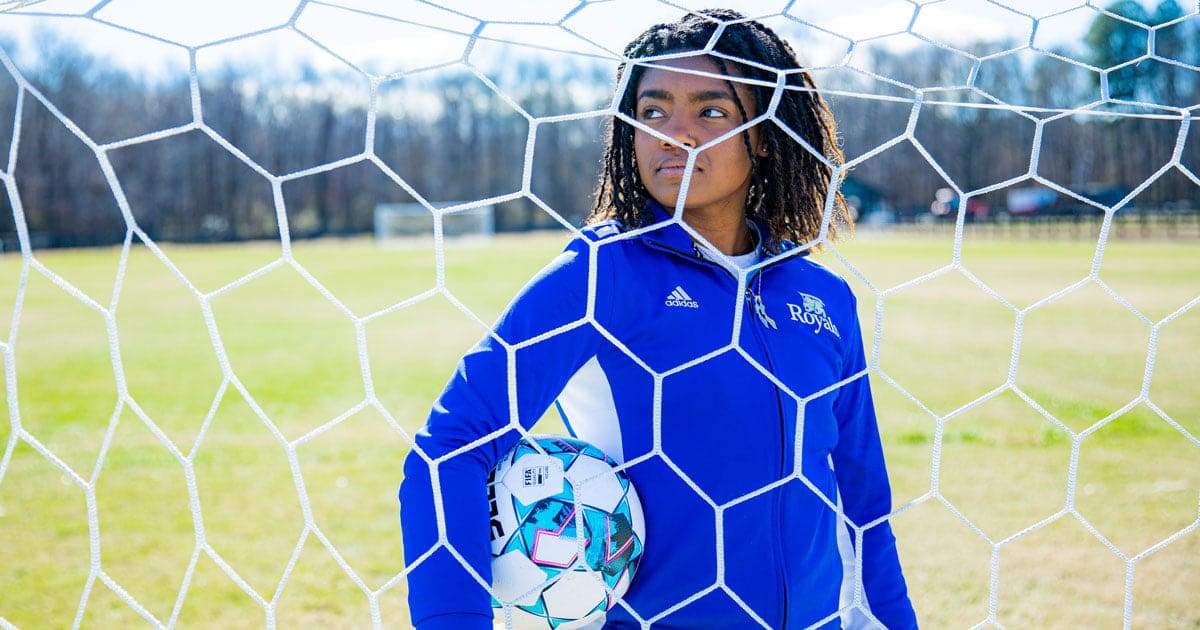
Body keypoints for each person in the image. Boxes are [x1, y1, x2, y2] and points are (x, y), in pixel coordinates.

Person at [399, 8, 918, 629]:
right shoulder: (601, 276)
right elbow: (449, 450)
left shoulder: (823, 295)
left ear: (766, 131)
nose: (675, 133)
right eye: (652, 111)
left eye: (711, 111)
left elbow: (863, 496)